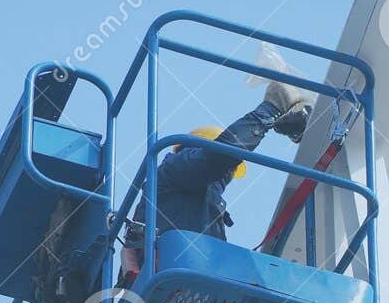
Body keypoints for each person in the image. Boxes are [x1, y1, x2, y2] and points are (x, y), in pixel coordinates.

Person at [122, 79, 315, 281]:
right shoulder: (173, 171)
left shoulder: (199, 199)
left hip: (191, 286)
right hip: (176, 277)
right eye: (230, 169)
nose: (228, 174)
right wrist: (270, 110)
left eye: (232, 171)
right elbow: (216, 158)